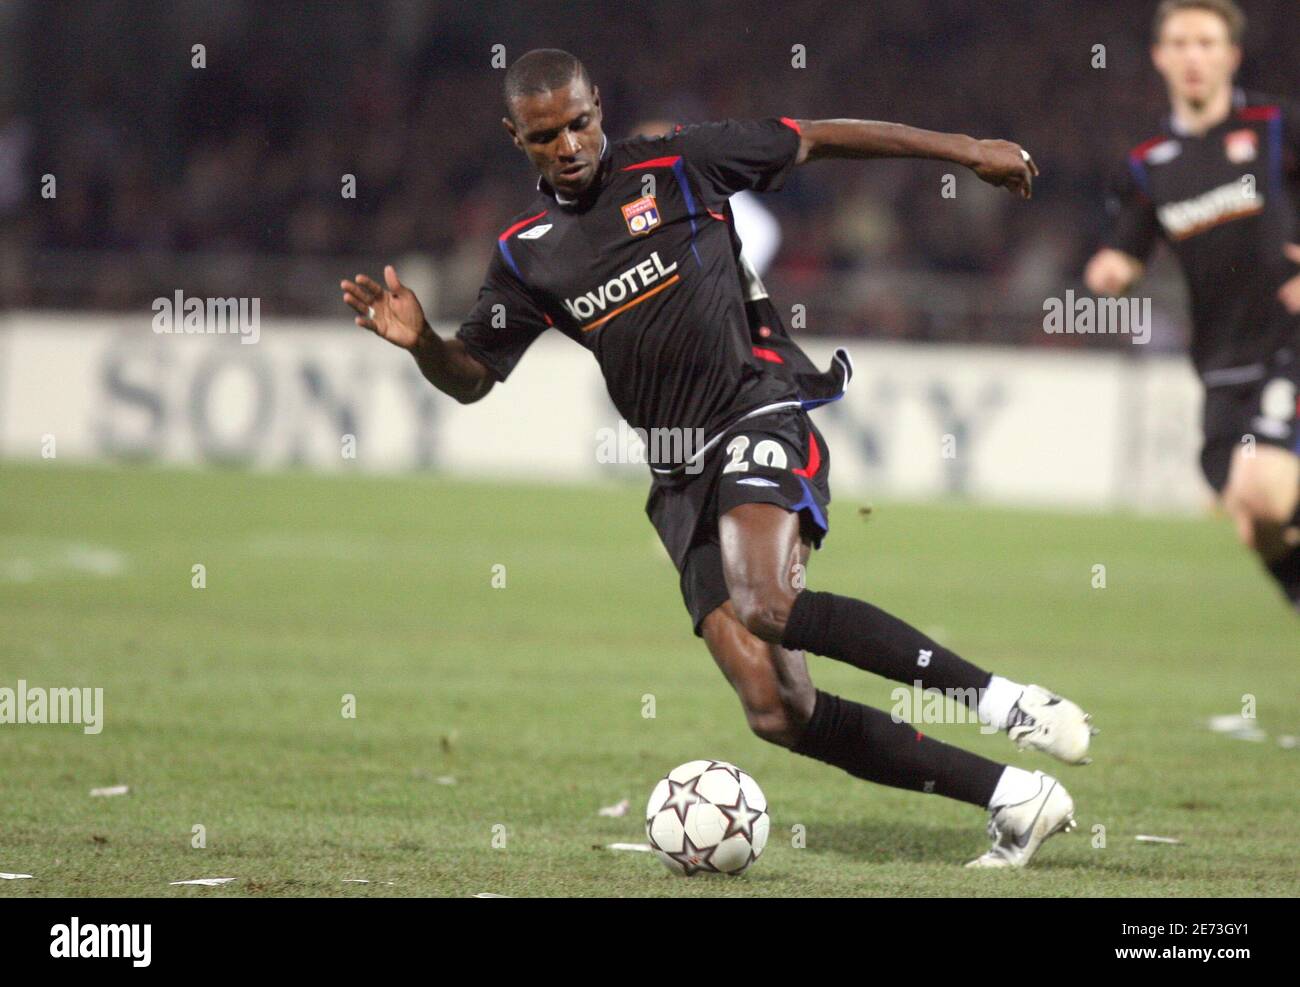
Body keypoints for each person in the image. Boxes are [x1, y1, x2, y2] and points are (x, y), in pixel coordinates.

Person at [342, 49, 1094, 868]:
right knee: (778, 708)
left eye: (580, 121)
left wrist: (967, 148)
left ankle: (1001, 698)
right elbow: (473, 378)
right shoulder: (528, 254)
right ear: (515, 138)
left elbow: (816, 137)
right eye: (545, 135)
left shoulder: (680, 163)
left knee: (768, 600)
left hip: (757, 406)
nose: (568, 144)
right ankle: (1015, 798)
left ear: (601, 105)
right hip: (678, 472)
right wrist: (421, 344)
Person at [1084, 0, 1300, 611]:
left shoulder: (1275, 126)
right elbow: (1123, 252)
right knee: (1254, 518)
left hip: (1291, 342)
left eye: (1207, 43)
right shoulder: (1149, 165)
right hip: (1222, 362)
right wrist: (1109, 272)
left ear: (1231, 55)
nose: (1193, 57)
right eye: (1179, 43)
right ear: (1160, 57)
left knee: (1262, 491)